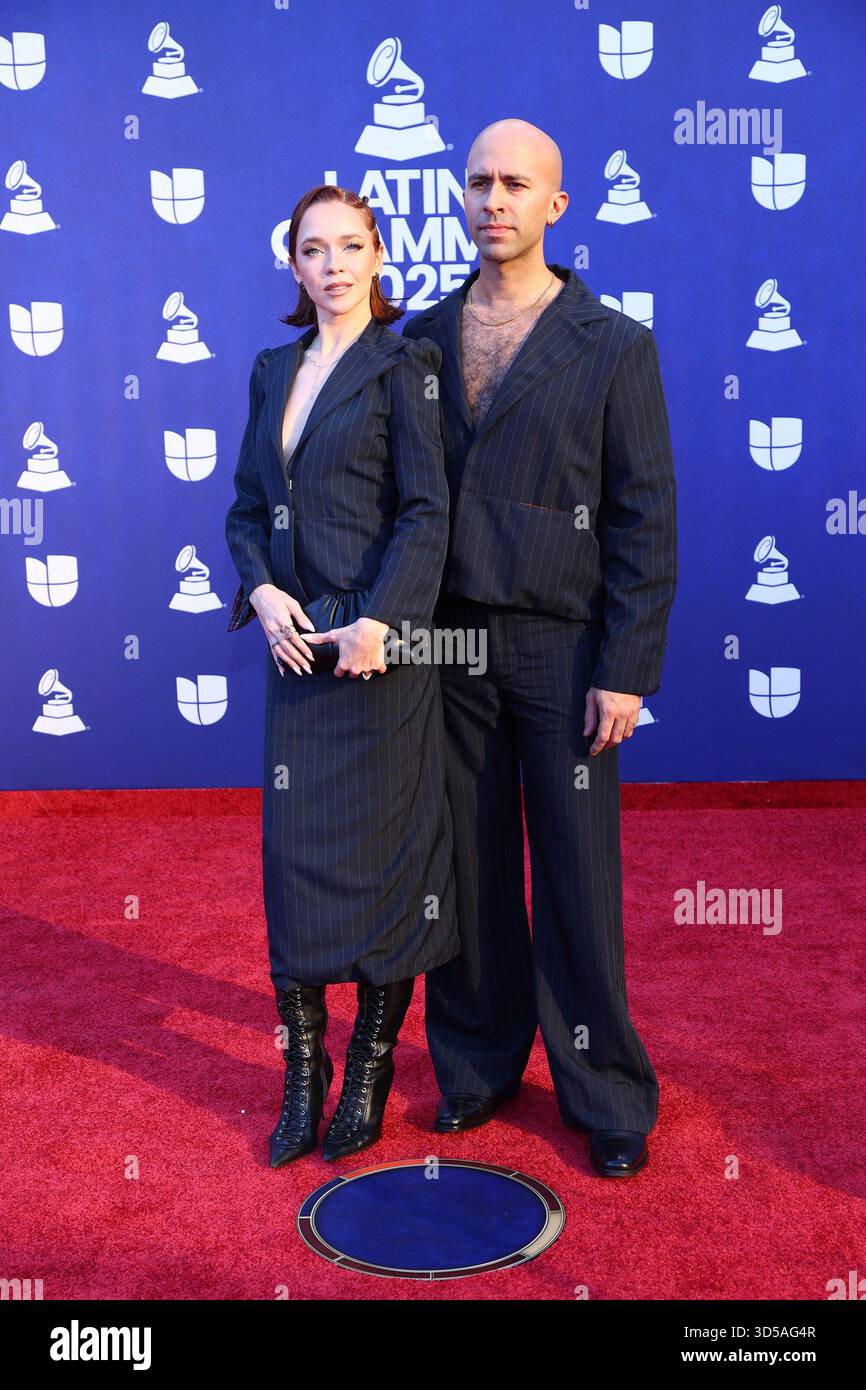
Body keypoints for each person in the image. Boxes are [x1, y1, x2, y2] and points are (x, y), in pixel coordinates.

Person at [402, 119, 677, 1178]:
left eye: (514, 183)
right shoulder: (419, 338)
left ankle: (603, 1088)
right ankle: (473, 1070)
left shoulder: (613, 344)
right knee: (465, 873)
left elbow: (643, 513)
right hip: (448, 647)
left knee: (574, 875)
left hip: (564, 650)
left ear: (555, 206)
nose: (492, 199)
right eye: (476, 182)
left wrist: (626, 665)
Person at [225, 185, 458, 1169]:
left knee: (384, 873)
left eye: (349, 246)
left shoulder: (409, 366)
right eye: (312, 250)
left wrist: (380, 620)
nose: (331, 265)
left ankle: (367, 1069)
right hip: (295, 654)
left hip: (377, 656)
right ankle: (304, 1071)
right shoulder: (271, 368)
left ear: (376, 255)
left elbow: (425, 512)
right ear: (292, 264)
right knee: (294, 869)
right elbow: (245, 510)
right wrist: (263, 594)